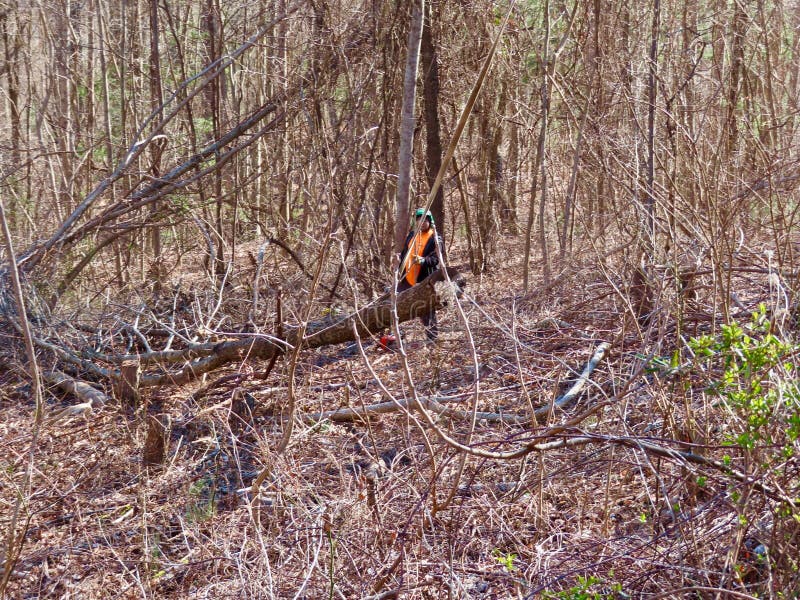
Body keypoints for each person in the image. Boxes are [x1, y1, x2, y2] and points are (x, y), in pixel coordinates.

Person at [397, 207, 441, 341]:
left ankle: (432, 337)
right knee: (395, 304)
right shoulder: (412, 235)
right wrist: (399, 265)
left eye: (424, 221)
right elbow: (405, 253)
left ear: (429, 222)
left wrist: (423, 261)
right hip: (407, 278)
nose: (421, 223)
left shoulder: (435, 238)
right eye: (419, 220)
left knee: (426, 309)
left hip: (425, 280)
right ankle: (398, 334)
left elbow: (436, 259)